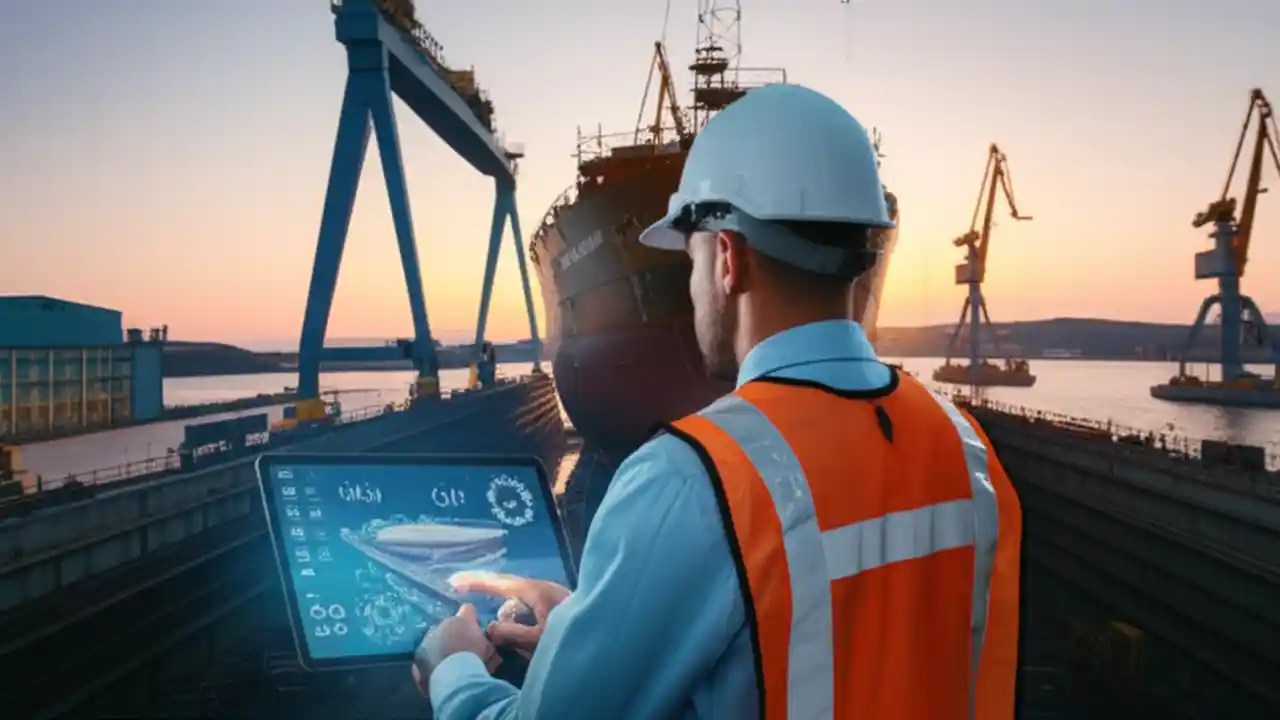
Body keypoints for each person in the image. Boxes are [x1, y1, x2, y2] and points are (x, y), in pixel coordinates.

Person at [413, 83, 1023, 719]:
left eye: (691, 260)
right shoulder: (967, 450)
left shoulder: (690, 478)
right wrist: (594, 632)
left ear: (727, 260)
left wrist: (454, 668)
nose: (693, 285)